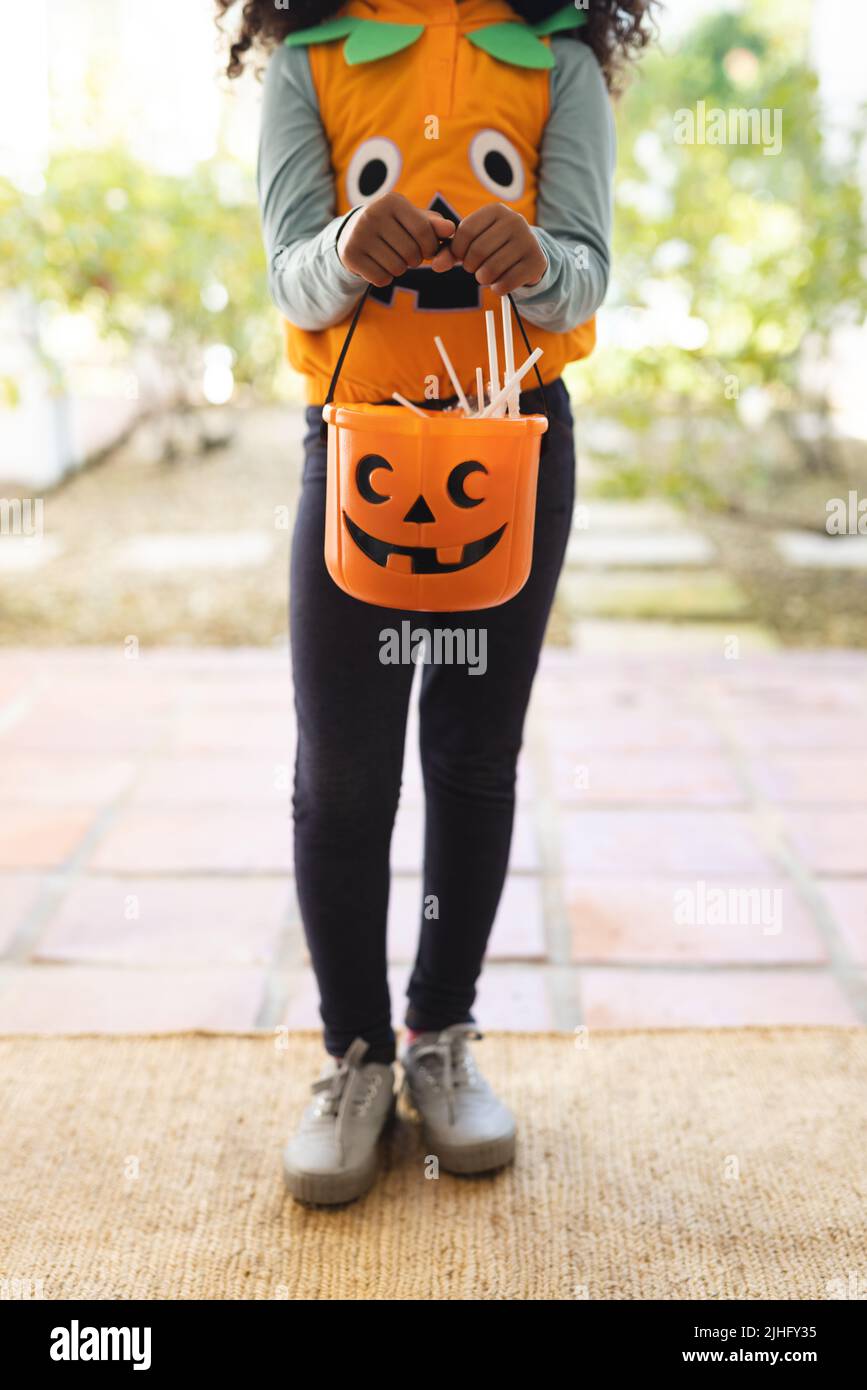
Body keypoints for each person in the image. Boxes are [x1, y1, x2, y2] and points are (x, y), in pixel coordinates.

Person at [218, 0, 655, 1205]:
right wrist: (349, 244)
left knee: (472, 756)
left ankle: (440, 1034)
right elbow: (294, 281)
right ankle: (355, 1055)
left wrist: (540, 262)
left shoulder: (557, 65)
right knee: (342, 770)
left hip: (514, 443)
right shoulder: (310, 67)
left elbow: (584, 274)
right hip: (358, 445)